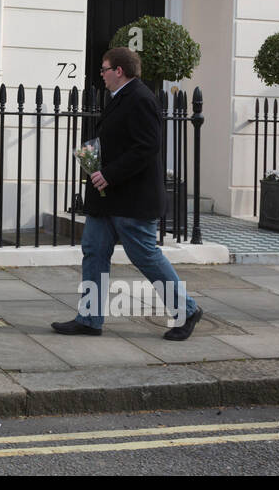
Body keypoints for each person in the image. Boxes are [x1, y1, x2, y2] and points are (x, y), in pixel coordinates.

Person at [52, 47, 201, 340]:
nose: (102, 76)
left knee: (144, 254)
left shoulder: (141, 99)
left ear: (119, 70)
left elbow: (146, 147)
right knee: (93, 252)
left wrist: (109, 174)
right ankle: (90, 319)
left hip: (132, 198)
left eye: (104, 69)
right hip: (107, 200)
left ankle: (186, 309)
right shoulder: (121, 98)